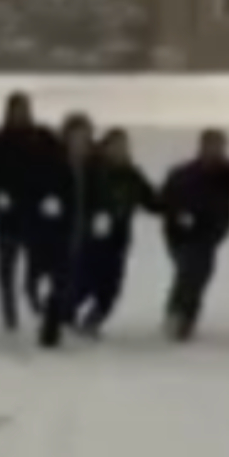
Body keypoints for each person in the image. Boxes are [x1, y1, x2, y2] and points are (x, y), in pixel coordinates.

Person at [157, 127, 229, 342]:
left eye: (220, 146)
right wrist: (177, 214)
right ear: (201, 147)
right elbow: (163, 201)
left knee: (199, 275)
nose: (215, 151)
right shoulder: (182, 173)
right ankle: (176, 315)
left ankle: (185, 319)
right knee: (190, 272)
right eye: (211, 146)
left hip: (209, 234)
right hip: (181, 233)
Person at [0, 92, 62, 333]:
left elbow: (57, 168)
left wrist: (52, 195)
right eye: (16, 110)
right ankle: (9, 315)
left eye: (24, 109)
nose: (20, 114)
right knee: (6, 267)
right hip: (8, 213)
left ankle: (33, 294)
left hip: (36, 212)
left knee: (38, 263)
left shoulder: (43, 138)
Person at [75, 127, 160, 335]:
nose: (120, 150)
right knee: (84, 282)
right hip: (91, 237)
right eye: (115, 146)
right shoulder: (91, 170)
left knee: (111, 288)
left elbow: (151, 200)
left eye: (123, 146)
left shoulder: (132, 174)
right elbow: (80, 198)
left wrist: (174, 205)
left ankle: (92, 322)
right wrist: (91, 218)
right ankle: (63, 315)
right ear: (105, 147)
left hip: (118, 239)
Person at [30, 113, 99, 350]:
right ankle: (50, 330)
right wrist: (47, 203)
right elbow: (39, 189)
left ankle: (62, 316)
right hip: (57, 231)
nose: (80, 142)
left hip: (84, 229)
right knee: (60, 280)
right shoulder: (54, 162)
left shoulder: (93, 165)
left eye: (85, 137)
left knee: (75, 279)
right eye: (76, 137)